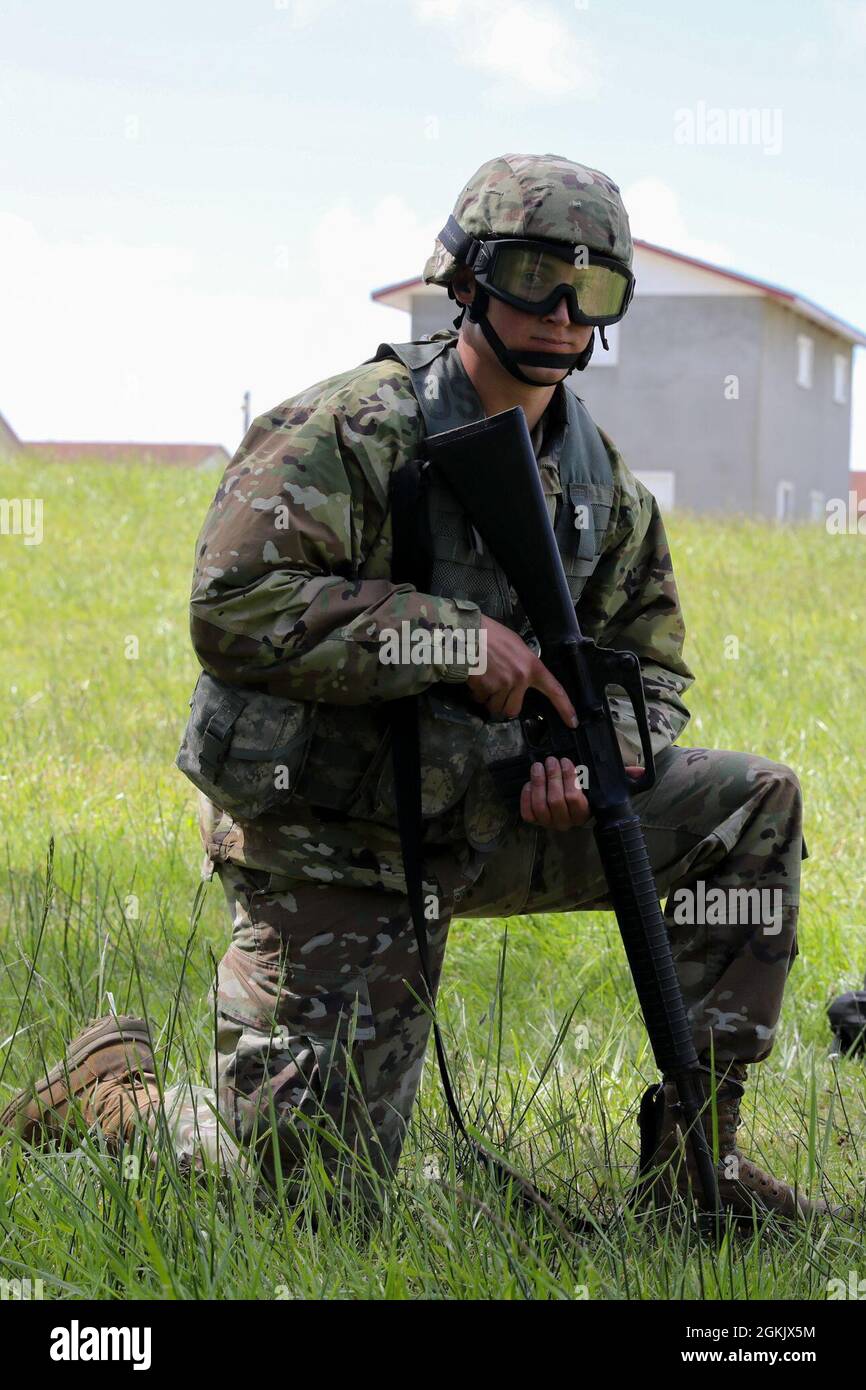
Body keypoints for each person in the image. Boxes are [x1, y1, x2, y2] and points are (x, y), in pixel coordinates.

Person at [1, 153, 836, 1221]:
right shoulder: (347, 430)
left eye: (593, 290)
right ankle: (118, 1101)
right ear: (467, 280)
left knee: (751, 803)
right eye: (533, 275)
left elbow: (649, 668)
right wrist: (448, 640)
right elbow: (233, 605)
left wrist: (582, 761)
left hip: (490, 810)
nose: (559, 313)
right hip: (335, 829)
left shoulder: (599, 481)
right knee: (307, 1200)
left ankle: (693, 1161)